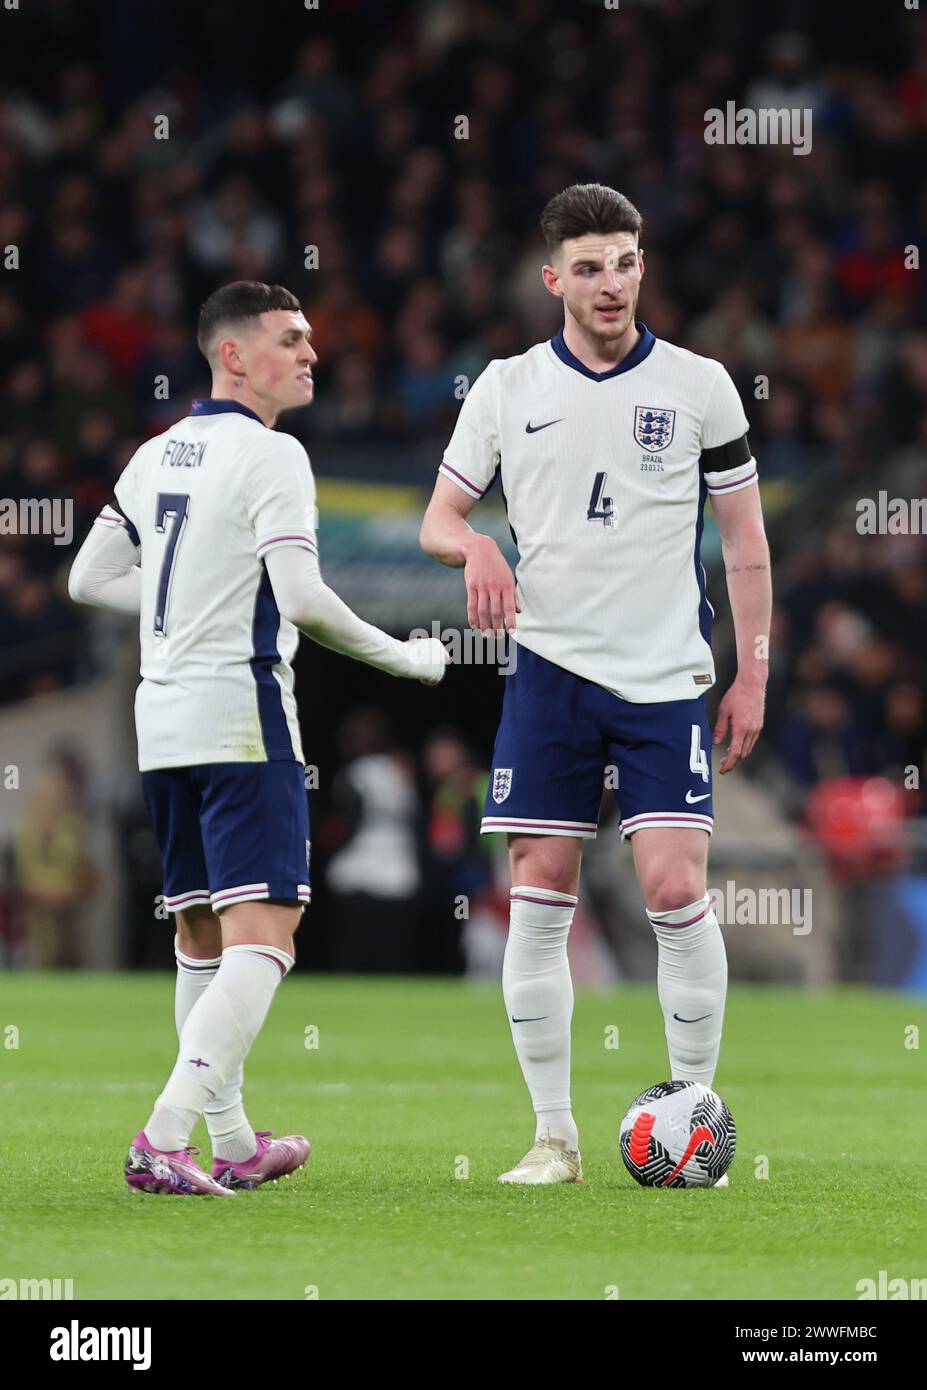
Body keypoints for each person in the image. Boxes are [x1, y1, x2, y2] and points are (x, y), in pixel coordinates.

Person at [420, 185, 771, 1185]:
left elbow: (745, 546)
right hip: (550, 679)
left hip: (665, 681)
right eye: (588, 267)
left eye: (622, 262)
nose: (609, 283)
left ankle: (694, 1113)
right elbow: (438, 520)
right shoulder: (505, 387)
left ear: (641, 266)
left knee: (673, 886)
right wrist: (476, 549)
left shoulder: (702, 385)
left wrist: (753, 670)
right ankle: (554, 1137)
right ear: (553, 280)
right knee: (539, 900)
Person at [69, 280, 447, 1195]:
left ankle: (233, 1144)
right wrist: (407, 659)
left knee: (203, 936)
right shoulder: (273, 455)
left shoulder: (156, 454)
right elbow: (306, 598)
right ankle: (164, 1137)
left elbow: (88, 578)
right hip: (241, 718)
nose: (311, 354)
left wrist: (183, 616)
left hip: (162, 722)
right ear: (233, 355)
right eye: (291, 338)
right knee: (268, 938)